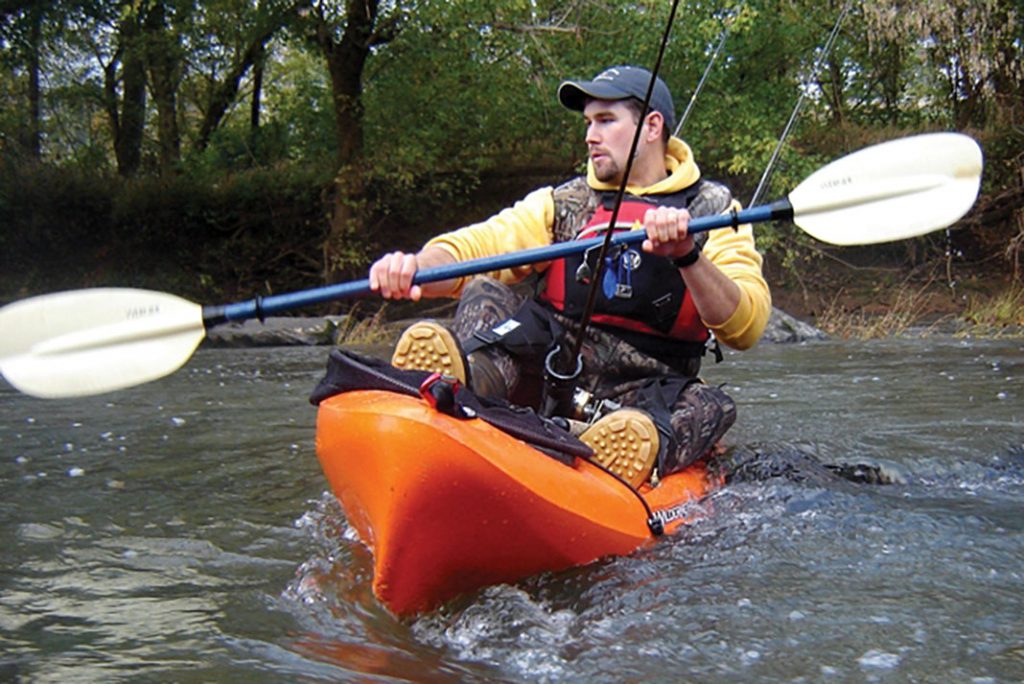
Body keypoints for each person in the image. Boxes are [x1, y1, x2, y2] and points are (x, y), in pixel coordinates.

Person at [368, 65, 771, 490]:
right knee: (486, 289)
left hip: (644, 389)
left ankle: (621, 451)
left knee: (712, 404)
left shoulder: (716, 212)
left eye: (606, 121)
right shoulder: (561, 202)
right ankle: (464, 385)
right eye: (588, 123)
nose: (590, 136)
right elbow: (478, 247)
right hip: (547, 371)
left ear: (652, 127)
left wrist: (687, 254)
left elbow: (745, 327)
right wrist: (415, 268)